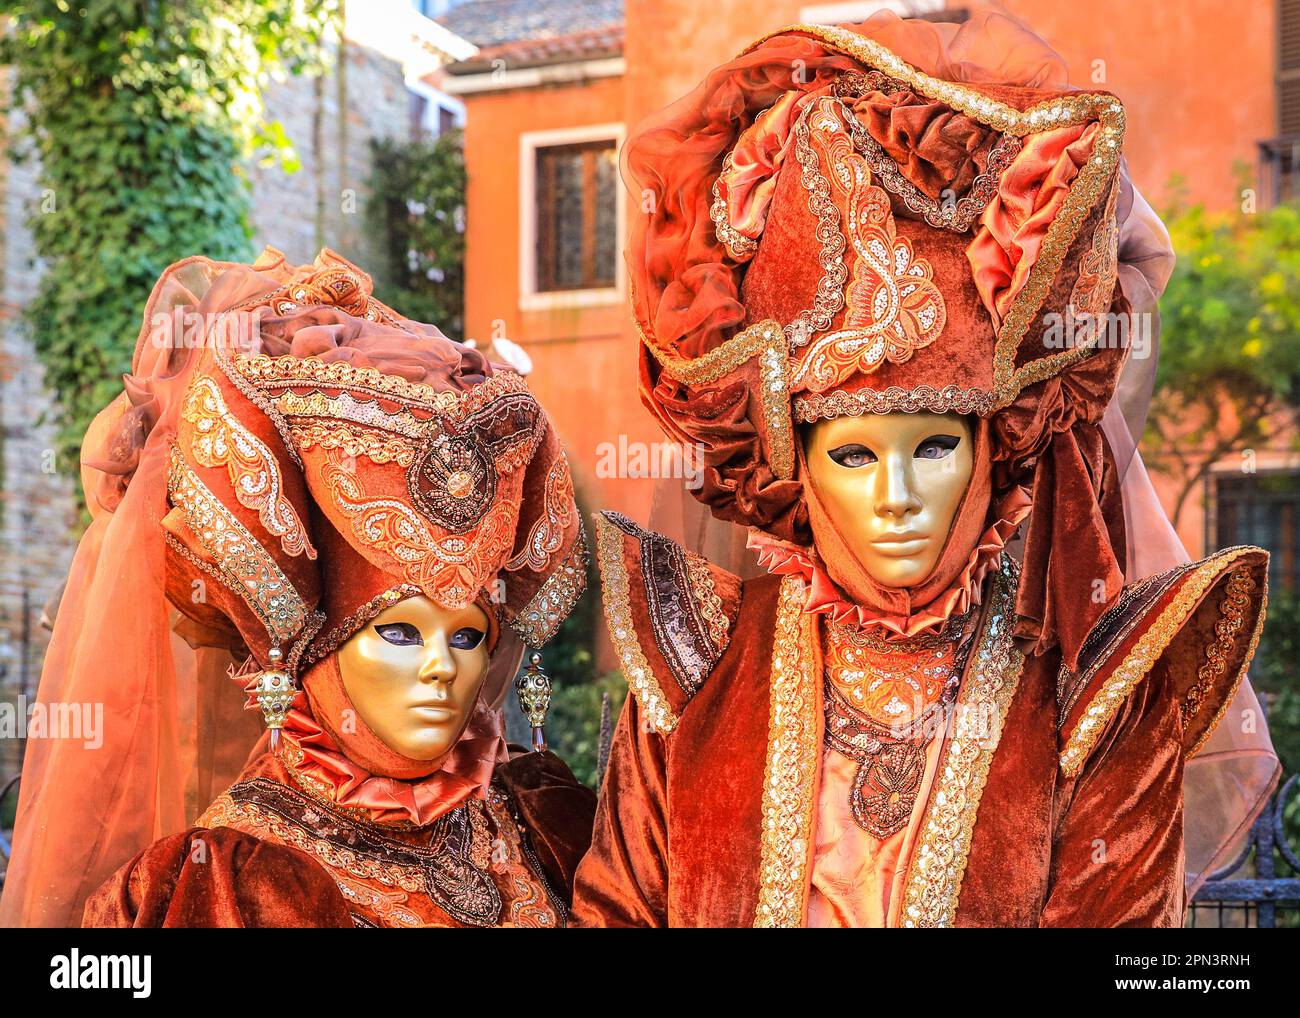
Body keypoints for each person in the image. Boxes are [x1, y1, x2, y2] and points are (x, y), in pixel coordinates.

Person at [571, 11, 1279, 927]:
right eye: (855, 454)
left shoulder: (1094, 700)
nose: (897, 497)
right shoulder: (691, 664)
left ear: (995, 448)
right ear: (794, 465)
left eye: (935, 446)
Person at [1, 247, 594, 927]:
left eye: (467, 637)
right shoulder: (222, 888)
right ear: (313, 647)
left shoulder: (542, 825)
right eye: (398, 631)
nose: (443, 670)